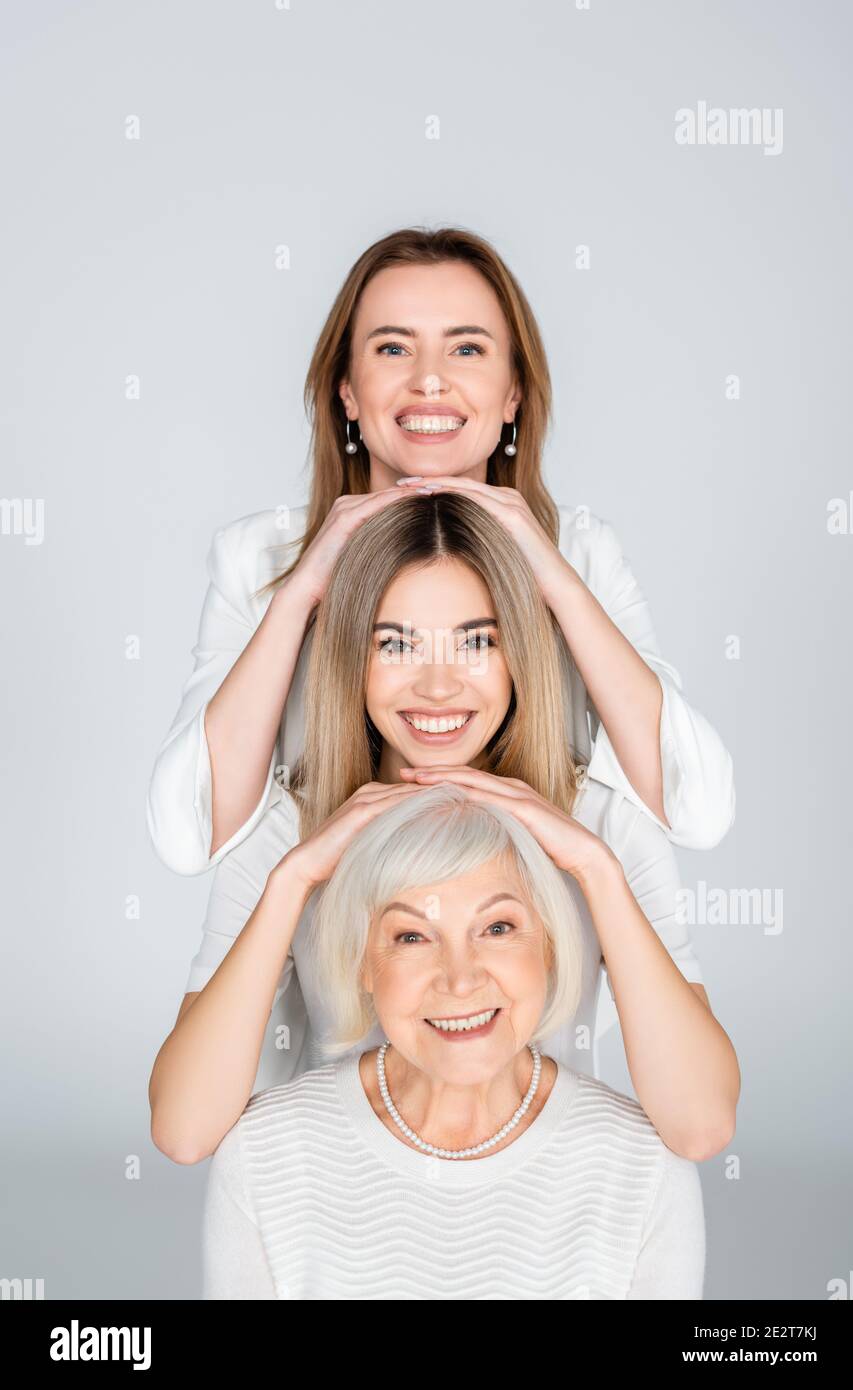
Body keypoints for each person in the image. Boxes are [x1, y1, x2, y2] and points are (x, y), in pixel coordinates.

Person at [149, 492, 740, 1167]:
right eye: (395, 644)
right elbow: (184, 1131)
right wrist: (293, 881)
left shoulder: (603, 820)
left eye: (476, 641)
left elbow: (699, 1126)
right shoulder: (289, 829)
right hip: (341, 1197)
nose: (436, 686)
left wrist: (595, 871)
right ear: (352, 658)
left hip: (548, 1194)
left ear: (520, 651)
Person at [146, 226, 735, 877]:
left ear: (513, 393)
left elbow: (698, 811)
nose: (429, 380)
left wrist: (553, 580)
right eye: (393, 347)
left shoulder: (581, 552)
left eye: (466, 348)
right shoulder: (258, 556)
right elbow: (187, 837)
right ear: (346, 389)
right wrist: (302, 590)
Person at [201, 782, 707, 1300]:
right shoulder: (262, 1155)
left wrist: (599, 866)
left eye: (497, 928)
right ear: (364, 965)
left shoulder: (643, 1167)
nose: (460, 980)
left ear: (548, 949)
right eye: (412, 937)